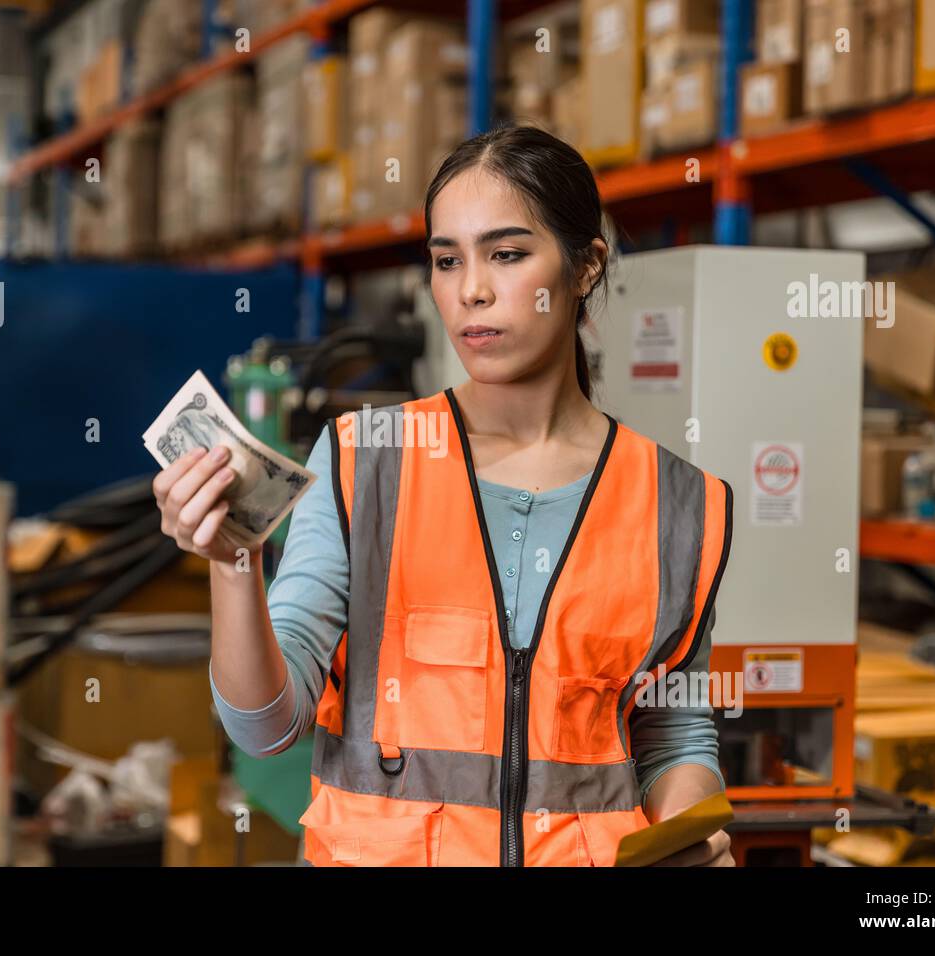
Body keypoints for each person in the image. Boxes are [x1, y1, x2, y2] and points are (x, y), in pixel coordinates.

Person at [153, 123, 735, 867]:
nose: (471, 292)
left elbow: (674, 734)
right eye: (446, 261)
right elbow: (267, 725)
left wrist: (692, 832)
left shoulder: (680, 503)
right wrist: (232, 562)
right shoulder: (368, 462)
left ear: (587, 266)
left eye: (508, 254)